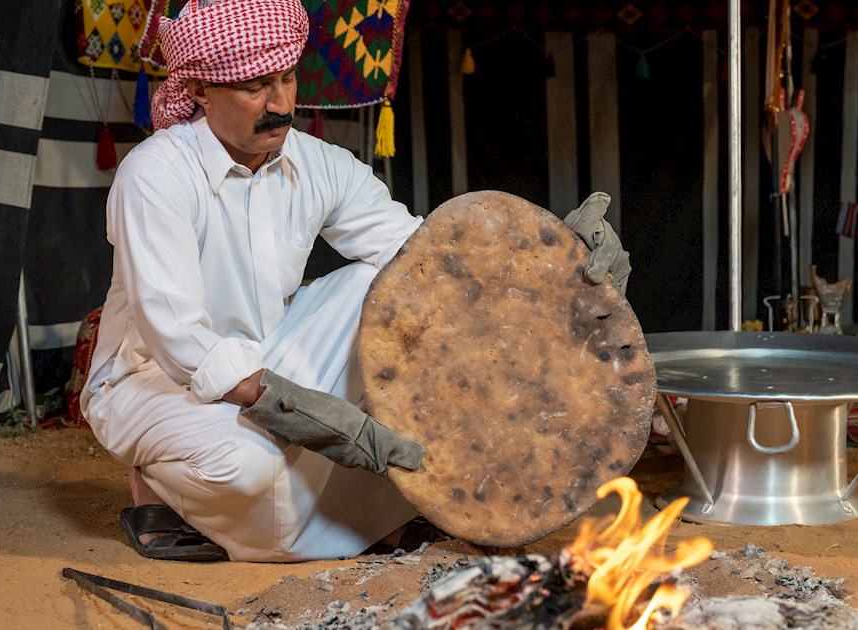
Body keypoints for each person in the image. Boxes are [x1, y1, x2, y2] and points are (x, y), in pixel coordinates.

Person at [81, 0, 630, 563]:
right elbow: (178, 337)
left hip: (269, 351)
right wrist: (289, 407)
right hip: (152, 383)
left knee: (396, 283)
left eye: (288, 78)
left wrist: (558, 268)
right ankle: (157, 482)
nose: (280, 104)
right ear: (199, 90)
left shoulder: (319, 164)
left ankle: (350, 510)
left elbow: (432, 260)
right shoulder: (155, 174)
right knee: (247, 472)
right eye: (255, 88)